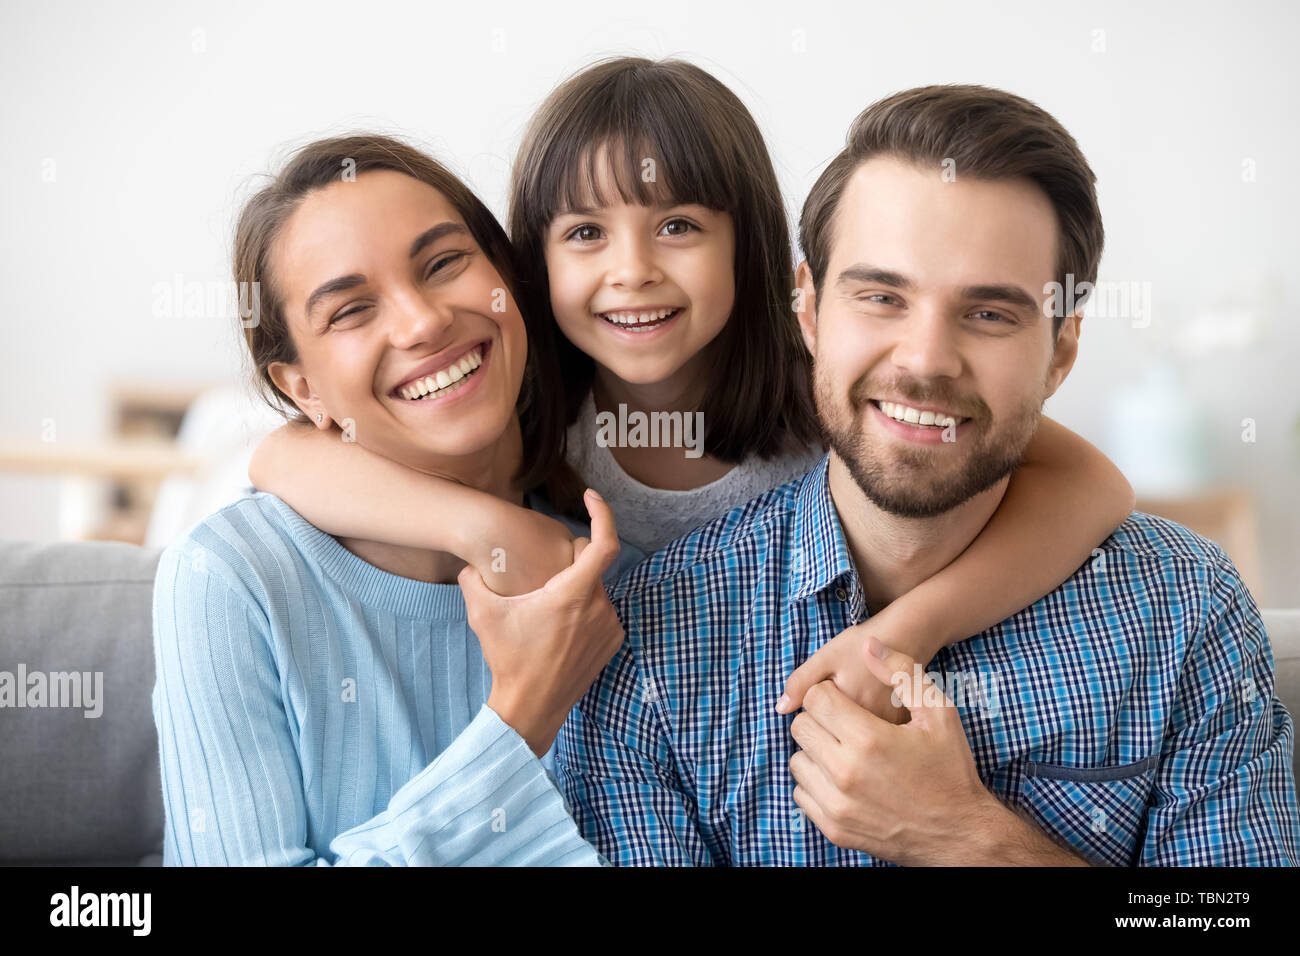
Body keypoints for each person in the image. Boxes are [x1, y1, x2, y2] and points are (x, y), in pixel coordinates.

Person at [247, 58, 1136, 724]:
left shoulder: (828, 390)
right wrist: (488, 526)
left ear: (751, 247)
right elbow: (282, 453)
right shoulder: (537, 415)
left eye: (678, 226)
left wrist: (909, 632)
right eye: (586, 233)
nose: (632, 272)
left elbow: (1091, 485)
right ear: (533, 260)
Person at [552, 84, 1300, 866]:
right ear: (807, 311)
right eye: (881, 297)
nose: (924, 360)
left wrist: (971, 840)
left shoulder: (1184, 612)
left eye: (989, 314)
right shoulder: (647, 643)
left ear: (1063, 351)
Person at [151, 135, 643, 865]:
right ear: (302, 390)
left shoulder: (615, 571)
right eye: (350, 310)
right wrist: (521, 719)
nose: (422, 323)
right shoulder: (229, 580)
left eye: (444, 264)